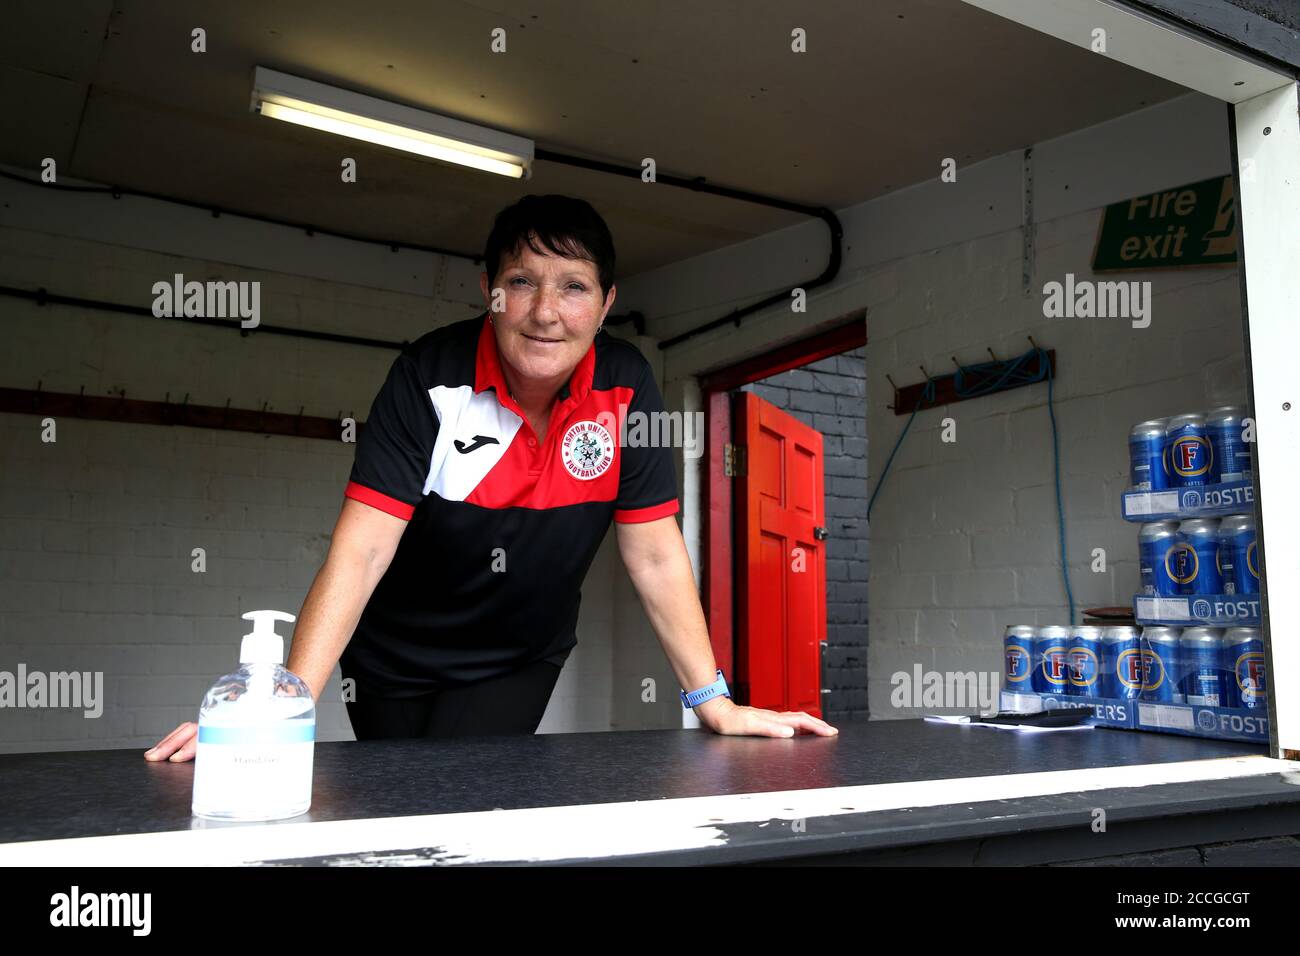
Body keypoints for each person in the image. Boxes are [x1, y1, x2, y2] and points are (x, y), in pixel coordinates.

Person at [146, 194, 837, 761]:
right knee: (404, 809)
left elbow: (655, 555)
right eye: (521, 282)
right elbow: (361, 555)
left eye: (573, 288)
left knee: (461, 788)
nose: (545, 311)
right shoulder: (428, 375)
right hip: (391, 657)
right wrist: (277, 714)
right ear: (489, 291)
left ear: (604, 303)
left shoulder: (626, 386)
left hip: (517, 655)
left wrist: (709, 700)